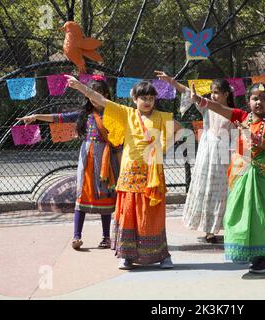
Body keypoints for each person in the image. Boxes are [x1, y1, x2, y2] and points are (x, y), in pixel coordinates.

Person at [65, 76, 182, 269]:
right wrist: (79, 87)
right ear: (134, 99)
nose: (147, 102)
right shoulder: (126, 114)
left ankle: (163, 255)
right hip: (129, 173)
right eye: (143, 98)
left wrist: (163, 146)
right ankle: (127, 255)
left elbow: (179, 129)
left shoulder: (162, 117)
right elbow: (101, 100)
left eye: (151, 98)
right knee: (128, 213)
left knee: (152, 215)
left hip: (152, 174)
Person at [190, 82, 265, 273]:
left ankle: (264, 257)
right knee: (240, 215)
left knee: (263, 217)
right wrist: (200, 100)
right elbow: (219, 108)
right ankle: (250, 254)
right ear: (248, 101)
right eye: (255, 98)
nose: (259, 102)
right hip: (241, 175)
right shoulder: (242, 117)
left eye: (264, 99)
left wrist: (257, 140)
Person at [17, 79, 121, 250]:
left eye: (98, 94)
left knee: (105, 195)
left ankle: (106, 237)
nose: (94, 98)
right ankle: (77, 236)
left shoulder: (114, 113)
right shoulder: (84, 115)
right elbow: (59, 118)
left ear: (107, 96)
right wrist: (36, 117)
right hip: (87, 159)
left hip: (106, 159)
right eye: (90, 94)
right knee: (82, 194)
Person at [155, 71, 236, 243]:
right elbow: (186, 91)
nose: (213, 95)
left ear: (226, 94)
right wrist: (170, 80)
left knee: (222, 191)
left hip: (224, 156)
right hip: (206, 154)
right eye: (212, 92)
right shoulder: (206, 106)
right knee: (205, 188)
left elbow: (236, 138)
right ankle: (209, 231)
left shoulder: (233, 112)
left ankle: (226, 226)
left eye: (216, 92)